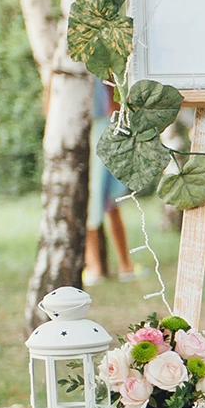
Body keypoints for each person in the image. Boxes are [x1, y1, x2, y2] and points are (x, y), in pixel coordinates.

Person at [83, 79, 136, 285]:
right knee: (92, 199)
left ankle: (125, 264)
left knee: (112, 199)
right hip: (88, 126)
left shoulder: (99, 61)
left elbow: (114, 93)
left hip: (105, 125)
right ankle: (94, 265)